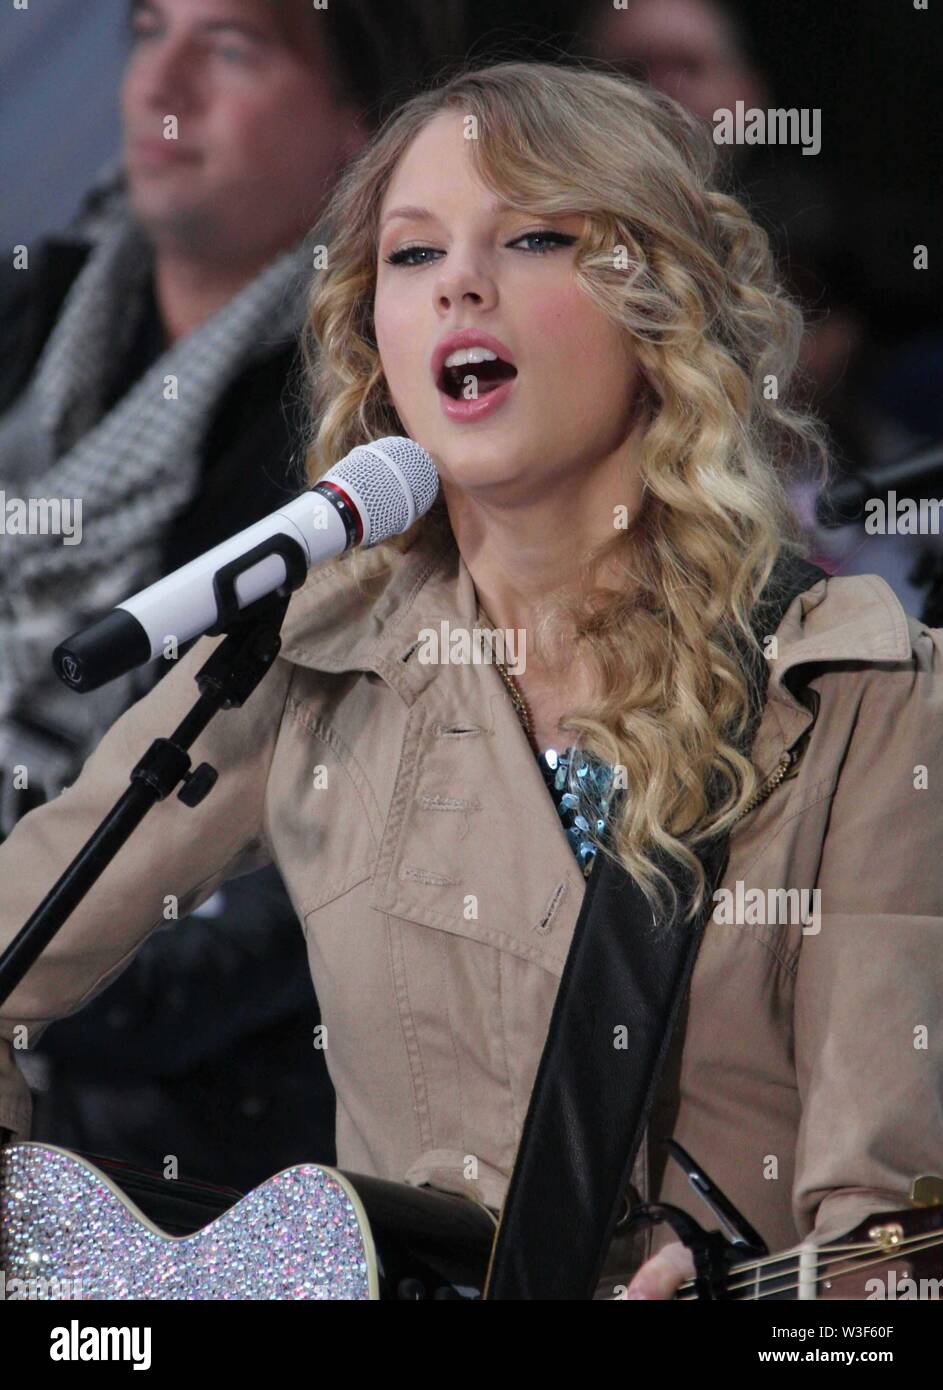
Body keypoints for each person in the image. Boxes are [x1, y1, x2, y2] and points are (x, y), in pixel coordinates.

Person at [1, 59, 941, 1301]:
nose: (458, 282)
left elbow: (887, 1247)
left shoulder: (859, 693)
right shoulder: (302, 649)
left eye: (536, 236)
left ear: (659, 301)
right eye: (409, 253)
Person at [0, 0, 461, 1191]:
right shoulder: (24, 326)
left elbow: (302, 887)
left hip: (196, 1159)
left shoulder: (386, 444)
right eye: (150, 29)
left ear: (357, 129)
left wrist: (69, 981)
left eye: (236, 46)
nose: (169, 81)